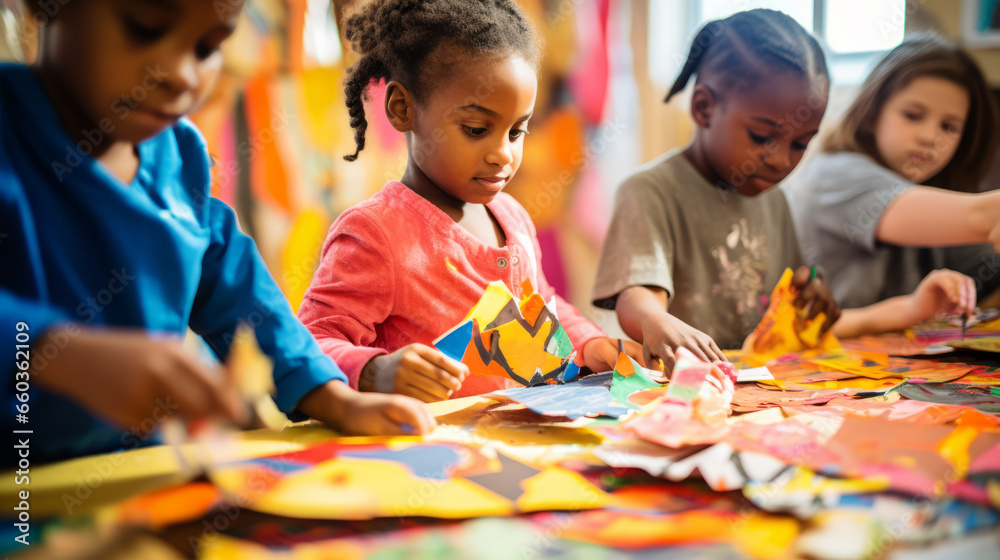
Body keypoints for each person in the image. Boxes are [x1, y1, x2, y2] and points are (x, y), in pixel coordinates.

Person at [1, 0, 433, 465]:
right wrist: (58, 354)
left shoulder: (180, 154)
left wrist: (334, 398)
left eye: (207, 48)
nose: (182, 75)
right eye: (144, 28)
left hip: (143, 472)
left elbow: (243, 295)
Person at [297, 0, 642, 402]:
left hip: (518, 447)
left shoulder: (511, 216)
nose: (503, 154)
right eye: (477, 129)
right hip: (427, 454)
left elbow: (542, 307)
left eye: (516, 131)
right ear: (402, 108)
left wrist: (588, 343)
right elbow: (311, 342)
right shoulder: (375, 234)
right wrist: (375, 370)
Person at [593, 11, 976, 371]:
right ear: (704, 107)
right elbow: (636, 297)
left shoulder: (773, 199)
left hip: (760, 389)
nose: (780, 160)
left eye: (800, 143)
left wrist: (899, 305)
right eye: (762, 137)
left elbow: (794, 313)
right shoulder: (651, 191)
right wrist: (655, 320)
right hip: (684, 393)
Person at [782, 33, 1000, 311]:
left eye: (949, 127)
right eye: (912, 115)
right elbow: (982, 217)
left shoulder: (927, 186)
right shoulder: (834, 175)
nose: (930, 137)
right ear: (872, 115)